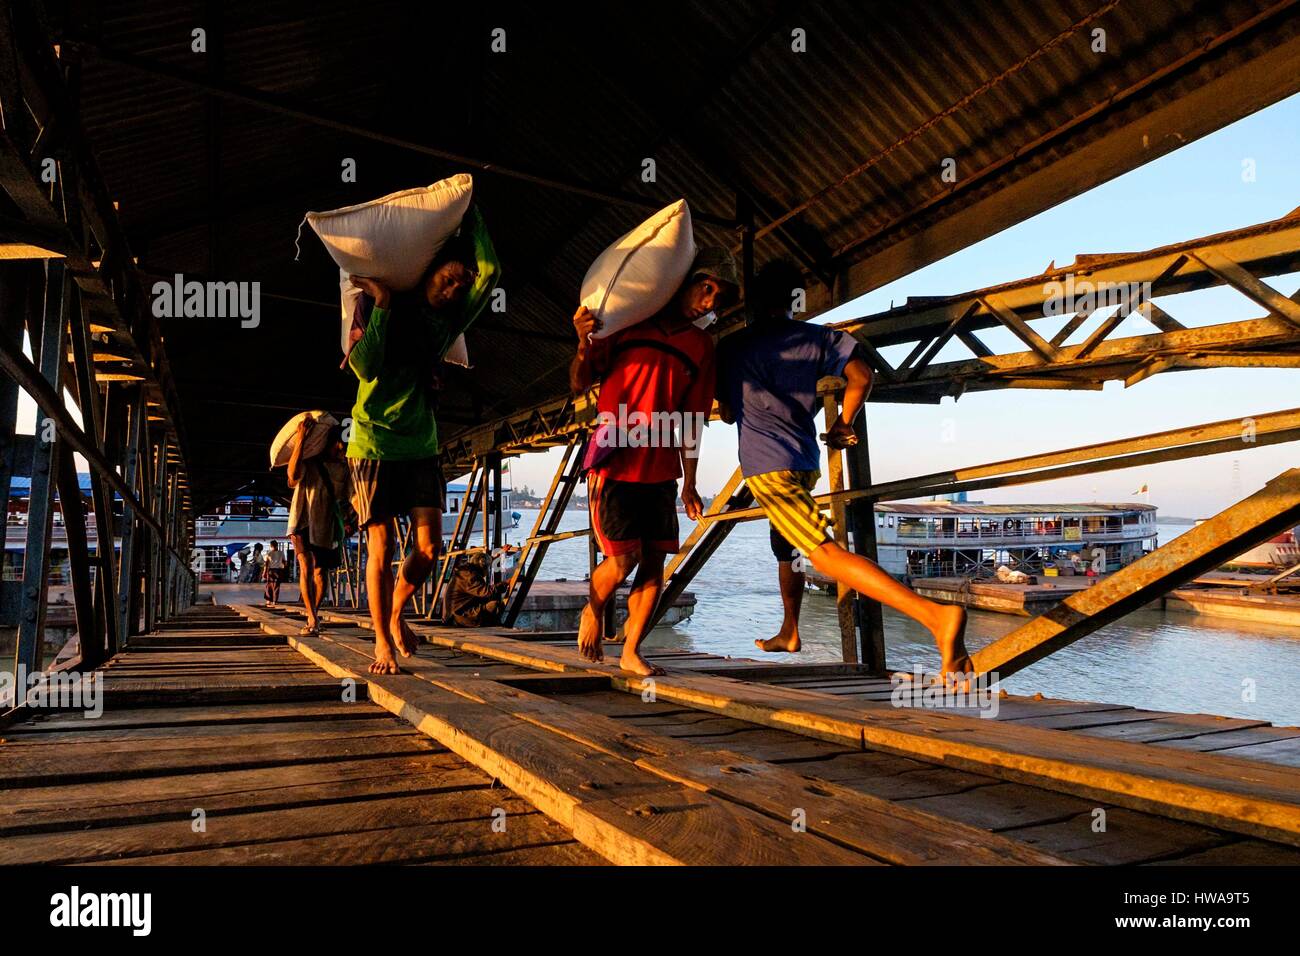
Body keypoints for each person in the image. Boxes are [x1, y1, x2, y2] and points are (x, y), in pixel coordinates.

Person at [715, 259, 972, 687]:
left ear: (753, 303)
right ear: (795, 301)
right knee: (787, 544)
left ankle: (936, 616)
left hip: (768, 467)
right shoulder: (819, 338)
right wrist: (843, 422)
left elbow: (725, 413)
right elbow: (861, 375)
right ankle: (790, 630)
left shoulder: (733, 347)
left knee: (824, 554)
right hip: (803, 460)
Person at [571, 247, 740, 676]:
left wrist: (690, 482)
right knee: (622, 560)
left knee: (655, 563)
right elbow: (578, 382)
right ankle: (593, 607)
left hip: (663, 470)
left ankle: (630, 651)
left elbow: (694, 418)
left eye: (717, 298)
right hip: (615, 463)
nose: (709, 301)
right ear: (687, 281)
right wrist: (580, 341)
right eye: (707, 289)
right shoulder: (629, 323)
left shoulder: (701, 346)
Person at [345, 210, 499, 675]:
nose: (453, 290)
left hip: (421, 446)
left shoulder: (446, 323)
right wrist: (385, 302)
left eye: (458, 285)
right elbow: (365, 366)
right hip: (372, 442)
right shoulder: (379, 308)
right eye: (449, 279)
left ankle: (395, 614)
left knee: (430, 548)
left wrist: (470, 212)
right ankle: (381, 641)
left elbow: (489, 273)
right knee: (382, 547)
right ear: (430, 269)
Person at [287, 416, 351, 634]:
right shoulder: (310, 461)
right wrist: (301, 439)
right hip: (302, 519)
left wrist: (351, 520)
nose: (340, 448)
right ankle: (313, 618)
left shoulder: (345, 469)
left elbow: (351, 498)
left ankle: (313, 612)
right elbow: (293, 475)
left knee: (321, 572)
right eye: (337, 443)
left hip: (327, 525)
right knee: (306, 564)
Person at [263, 540, 285, 607]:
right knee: (276, 586)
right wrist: (283, 568)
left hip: (271, 571)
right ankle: (275, 601)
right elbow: (284, 562)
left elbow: (266, 564)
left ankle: (269, 600)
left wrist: (264, 572)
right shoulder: (281, 553)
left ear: (271, 546)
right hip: (278, 570)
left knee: (269, 585)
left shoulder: (269, 553)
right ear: (277, 545)